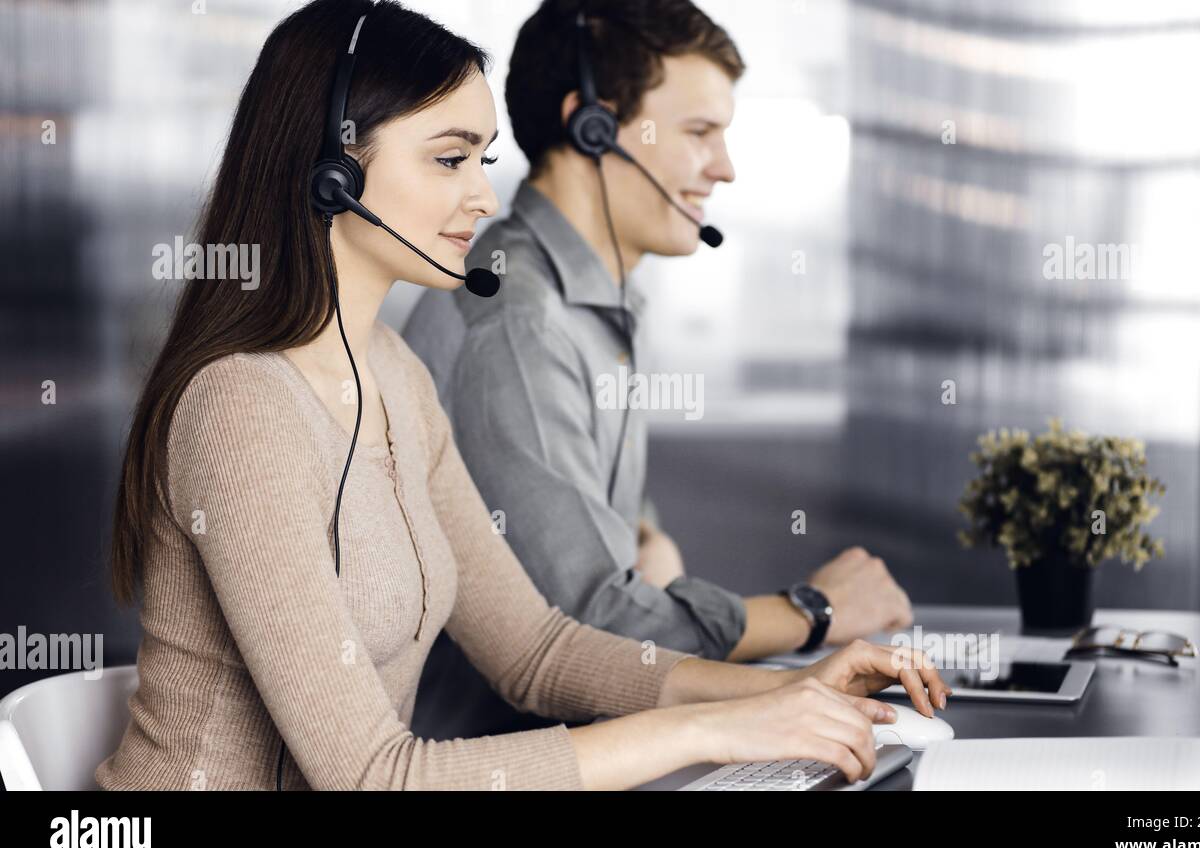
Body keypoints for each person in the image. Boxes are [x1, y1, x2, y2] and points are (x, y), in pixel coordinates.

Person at [98, 0, 947, 791]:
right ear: (332, 173)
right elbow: (374, 777)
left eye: (484, 160)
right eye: (449, 158)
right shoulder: (241, 405)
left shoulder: (394, 375)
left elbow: (536, 650)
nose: (481, 195)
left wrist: (779, 692)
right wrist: (717, 731)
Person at [403, 0, 915, 741]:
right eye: (699, 132)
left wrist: (645, 552)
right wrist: (814, 612)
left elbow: (614, 546)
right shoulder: (521, 326)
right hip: (503, 757)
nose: (725, 168)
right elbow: (591, 627)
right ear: (595, 128)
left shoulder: (589, 305)